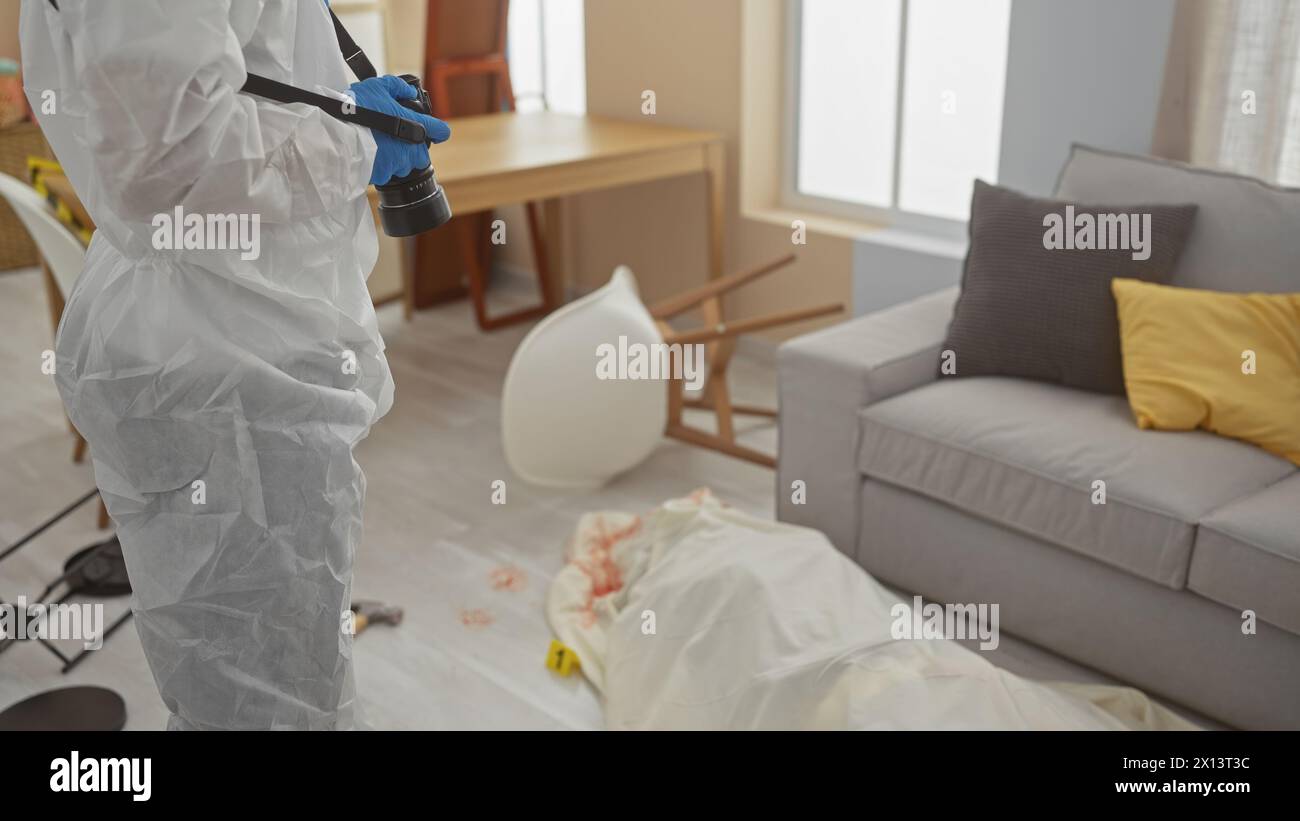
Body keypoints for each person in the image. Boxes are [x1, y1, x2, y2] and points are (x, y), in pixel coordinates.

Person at [19, 0, 448, 729]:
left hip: (222, 338)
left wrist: (341, 110)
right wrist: (357, 144)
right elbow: (165, 161)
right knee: (269, 700)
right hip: (227, 360)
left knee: (251, 680)